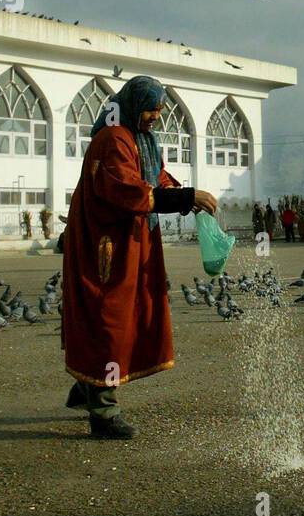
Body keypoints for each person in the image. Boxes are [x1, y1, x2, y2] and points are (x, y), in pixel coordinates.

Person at [61, 75, 217, 440]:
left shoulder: (141, 139)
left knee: (130, 316)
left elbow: (154, 177)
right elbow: (126, 189)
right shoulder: (112, 139)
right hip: (107, 248)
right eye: (150, 109)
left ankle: (88, 388)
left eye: (160, 110)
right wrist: (184, 198)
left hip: (133, 243)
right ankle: (103, 412)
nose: (155, 116)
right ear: (132, 106)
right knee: (108, 320)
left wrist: (183, 195)